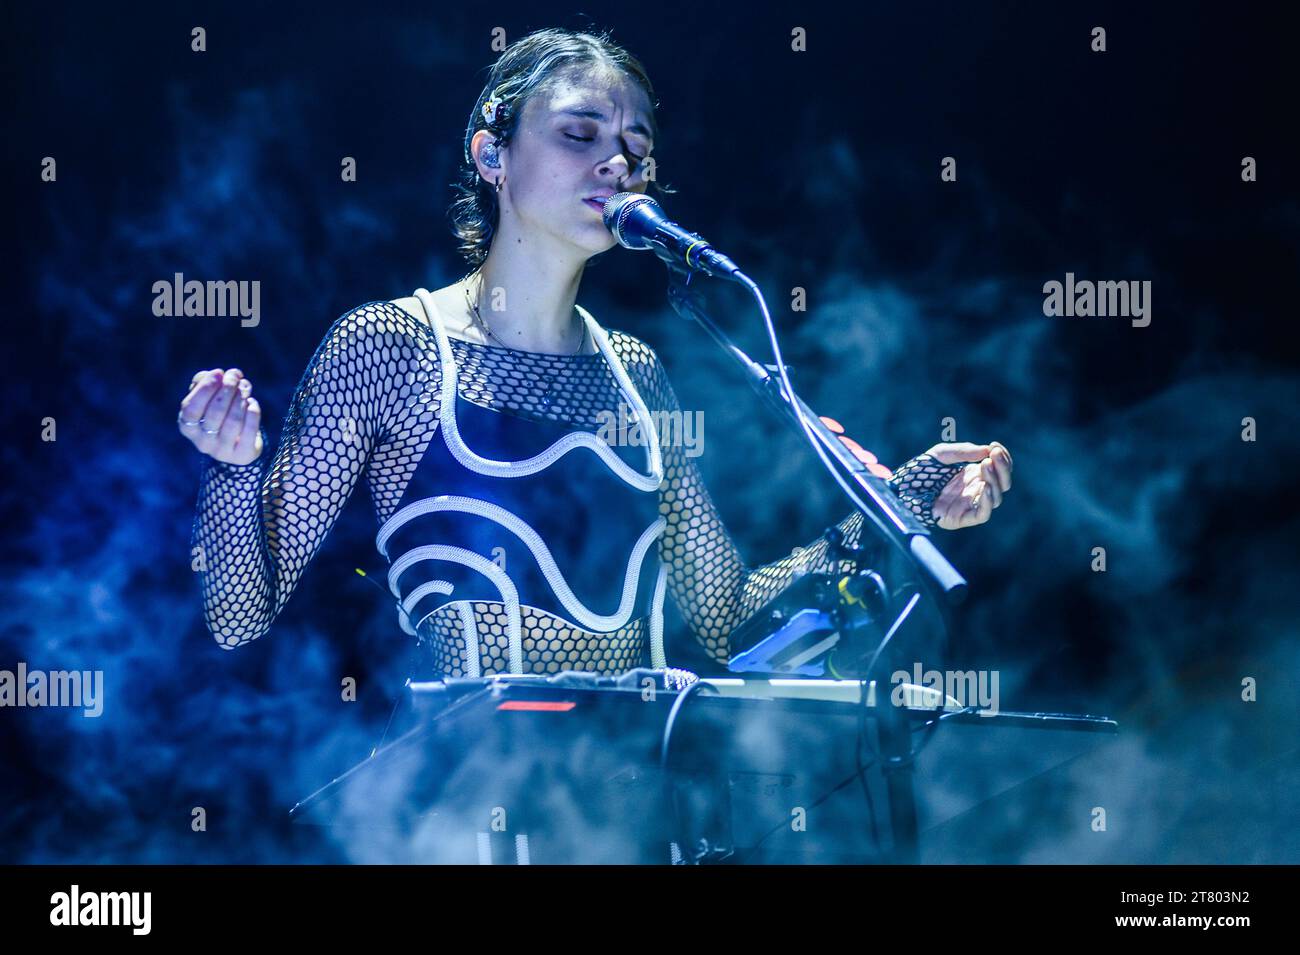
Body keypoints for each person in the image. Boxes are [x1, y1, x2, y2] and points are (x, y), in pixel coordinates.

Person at [178, 27, 1013, 685]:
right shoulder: (387, 348)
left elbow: (725, 621)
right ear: (491, 154)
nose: (617, 162)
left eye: (636, 150)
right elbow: (240, 615)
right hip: (460, 805)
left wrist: (903, 499)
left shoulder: (638, 376)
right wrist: (229, 468)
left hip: (632, 803)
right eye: (580, 133)